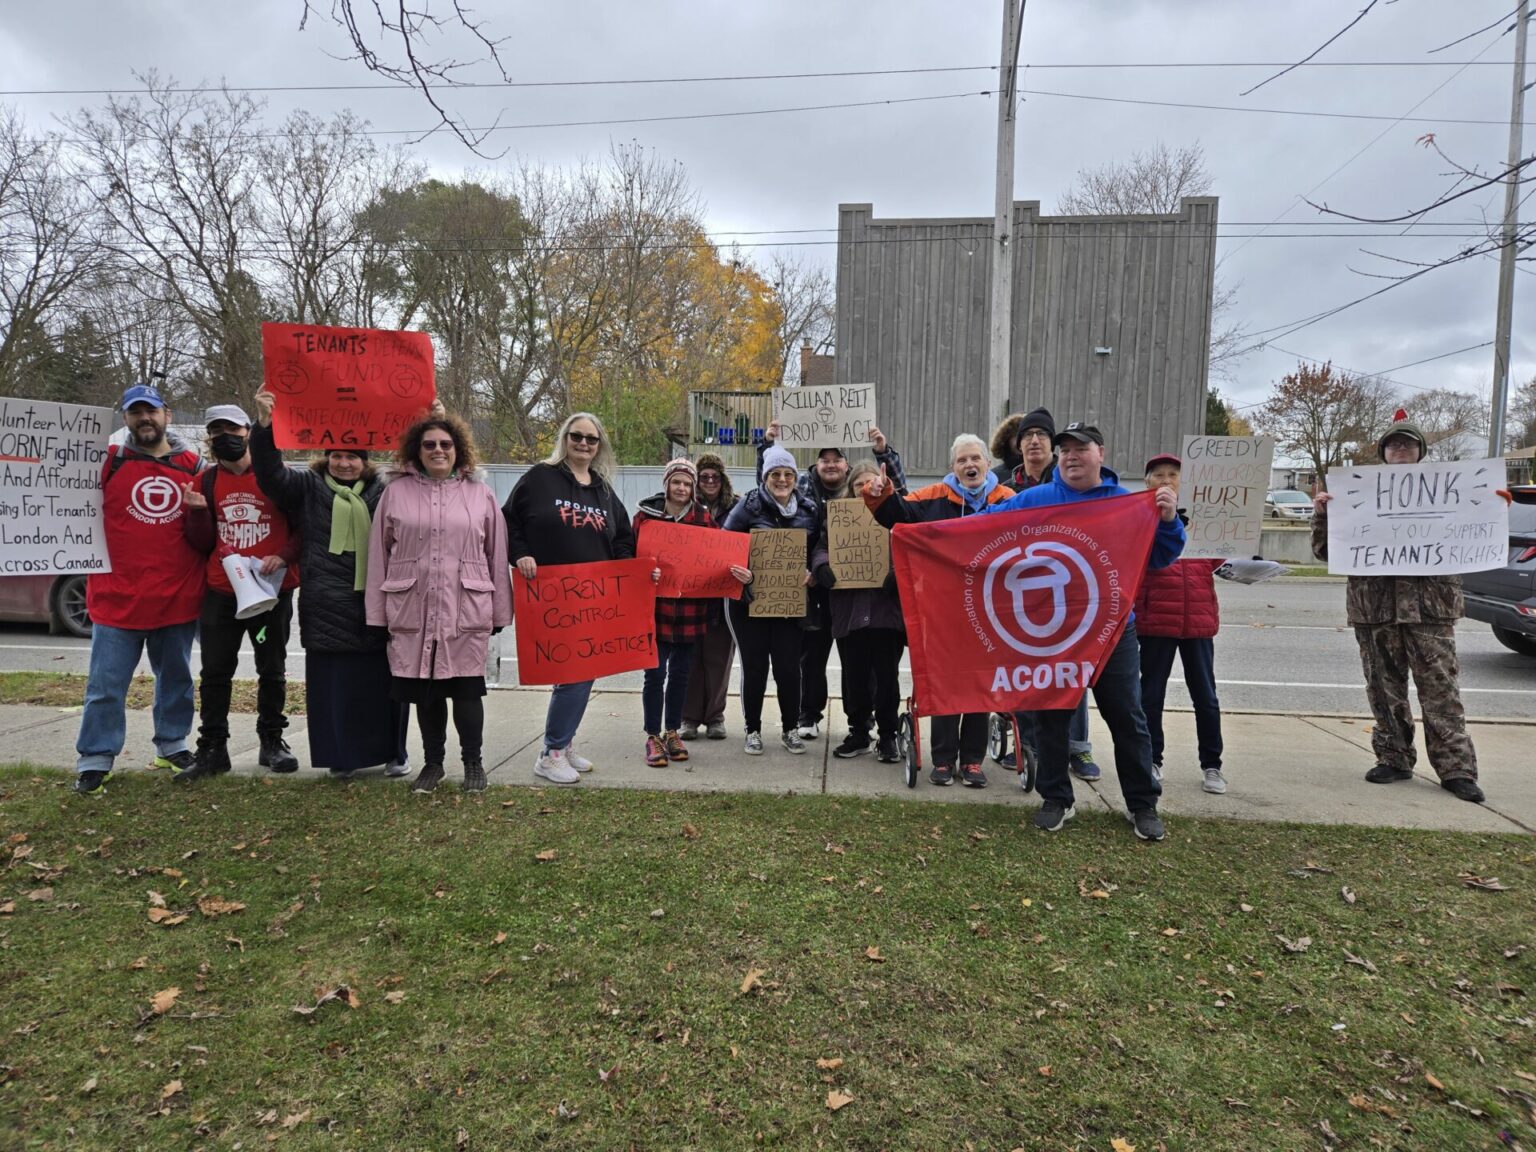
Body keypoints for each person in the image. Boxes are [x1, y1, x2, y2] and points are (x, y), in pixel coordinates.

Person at [971, 421, 1184, 841]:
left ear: (1100, 454)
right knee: (1051, 719)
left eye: (1080, 449)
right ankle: (1056, 799)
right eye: (1064, 449)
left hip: (1112, 633)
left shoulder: (1127, 504)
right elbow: (980, 529)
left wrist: (1169, 520)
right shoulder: (1034, 500)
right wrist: (925, 534)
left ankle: (1142, 805)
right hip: (1054, 635)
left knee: (1127, 717)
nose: (1070, 456)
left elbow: (1160, 557)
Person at [1311, 410, 1487, 803]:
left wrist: (1492, 511)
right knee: (1384, 689)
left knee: (1440, 691)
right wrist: (1324, 516)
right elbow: (1324, 552)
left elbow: (1474, 537)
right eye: (1394, 443)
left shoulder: (1449, 491)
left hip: (1430, 610)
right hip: (1374, 610)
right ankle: (1394, 757)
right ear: (1384, 452)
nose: (1401, 448)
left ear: (1420, 451)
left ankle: (1457, 769)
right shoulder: (1356, 494)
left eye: (1408, 443)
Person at [248, 387, 410, 779]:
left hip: (374, 602)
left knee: (384, 684)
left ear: (364, 461)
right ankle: (341, 757)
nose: (343, 463)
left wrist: (430, 417)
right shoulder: (307, 488)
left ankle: (394, 753)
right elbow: (270, 475)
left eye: (352, 456)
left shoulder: (385, 490)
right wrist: (265, 427)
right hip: (325, 605)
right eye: (336, 455)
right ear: (327, 457)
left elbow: (423, 472)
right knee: (334, 689)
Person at [72, 383, 207, 796]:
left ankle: (172, 745)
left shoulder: (194, 465)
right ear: (126, 418)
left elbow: (207, 534)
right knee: (105, 687)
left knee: (177, 681)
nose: (145, 418)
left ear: (167, 415)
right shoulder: (104, 462)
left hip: (175, 597)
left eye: (152, 411)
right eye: (136, 412)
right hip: (116, 598)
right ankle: (95, 758)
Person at [366, 415, 511, 794]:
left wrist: (499, 611)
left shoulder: (480, 494)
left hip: (466, 608)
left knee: (466, 691)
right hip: (412, 607)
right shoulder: (395, 493)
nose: (438, 451)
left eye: (445, 444)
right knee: (424, 691)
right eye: (429, 445)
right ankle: (433, 764)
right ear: (418, 450)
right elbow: (378, 555)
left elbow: (496, 554)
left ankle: (473, 764)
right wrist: (377, 613)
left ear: (457, 450)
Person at [863, 433, 1016, 787]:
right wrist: (879, 493)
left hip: (990, 612)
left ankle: (973, 761)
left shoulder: (1007, 499)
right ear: (953, 467)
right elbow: (896, 515)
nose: (969, 465)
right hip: (943, 610)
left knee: (980, 683)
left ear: (987, 463)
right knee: (946, 683)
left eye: (975, 458)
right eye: (962, 460)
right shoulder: (932, 497)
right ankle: (944, 759)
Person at [503, 412, 636, 786]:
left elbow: (623, 537)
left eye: (591, 439)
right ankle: (551, 753)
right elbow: (508, 521)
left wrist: (626, 572)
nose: (583, 444)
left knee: (581, 673)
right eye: (576, 436)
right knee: (574, 675)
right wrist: (520, 554)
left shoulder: (603, 490)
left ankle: (563, 744)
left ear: (599, 446)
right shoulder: (538, 479)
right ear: (564, 438)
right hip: (550, 597)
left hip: (593, 599)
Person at [174, 404, 302, 782]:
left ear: (249, 431)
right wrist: (197, 512)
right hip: (222, 593)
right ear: (210, 439)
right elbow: (200, 543)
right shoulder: (205, 483)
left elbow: (304, 529)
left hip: (269, 593)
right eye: (216, 431)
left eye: (232, 429)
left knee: (271, 667)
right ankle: (213, 748)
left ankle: (272, 742)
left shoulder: (277, 478)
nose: (224, 437)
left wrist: (283, 556)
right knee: (215, 671)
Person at [757, 423, 908, 741]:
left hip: (869, 602)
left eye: (836, 459)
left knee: (870, 669)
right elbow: (771, 485)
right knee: (814, 657)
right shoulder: (804, 489)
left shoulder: (889, 509)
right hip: (820, 590)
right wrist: (767, 446)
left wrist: (882, 451)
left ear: (845, 465)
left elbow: (901, 496)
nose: (830, 464)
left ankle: (871, 727)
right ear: (818, 465)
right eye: (824, 459)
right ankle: (811, 715)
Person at [992, 407, 1103, 783]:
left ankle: (1077, 747)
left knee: (1073, 675)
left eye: (1041, 435)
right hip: (1021, 597)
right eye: (1027, 436)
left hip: (1070, 597)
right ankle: (1028, 745)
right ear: (1017, 445)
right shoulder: (1002, 483)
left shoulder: (1074, 482)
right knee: (1024, 676)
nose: (1034, 441)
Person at [633, 458, 750, 767]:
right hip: (655, 611)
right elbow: (629, 555)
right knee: (655, 676)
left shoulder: (704, 519)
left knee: (681, 676)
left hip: (690, 611)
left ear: (693, 487)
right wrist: (645, 571)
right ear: (666, 484)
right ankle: (652, 734)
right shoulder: (646, 517)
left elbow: (717, 559)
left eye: (687, 483)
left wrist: (738, 573)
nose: (682, 488)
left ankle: (672, 731)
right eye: (677, 482)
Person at [1133, 453, 1227, 795]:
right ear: (1147, 483)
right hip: (1156, 619)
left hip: (1198, 622)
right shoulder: (1139, 519)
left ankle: (1212, 765)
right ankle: (1151, 759)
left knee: (1206, 697)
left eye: (1173, 474)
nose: (1166, 480)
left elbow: (1221, 561)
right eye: (1158, 474)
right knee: (1150, 695)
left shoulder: (1206, 521)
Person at [724, 444, 821, 755]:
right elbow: (725, 546)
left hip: (789, 602)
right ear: (765, 477)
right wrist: (743, 572)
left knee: (789, 670)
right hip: (749, 602)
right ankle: (753, 730)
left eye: (788, 474)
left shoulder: (809, 509)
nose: (782, 479)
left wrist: (813, 573)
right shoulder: (748, 506)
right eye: (775, 474)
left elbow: (818, 549)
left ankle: (790, 729)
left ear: (795, 477)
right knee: (754, 670)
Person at [813, 459, 906, 764]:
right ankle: (859, 731)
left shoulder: (897, 516)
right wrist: (822, 566)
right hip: (850, 610)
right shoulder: (838, 518)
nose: (865, 489)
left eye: (870, 483)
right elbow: (822, 547)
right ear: (851, 490)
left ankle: (889, 734)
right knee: (854, 677)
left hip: (885, 612)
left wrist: (900, 573)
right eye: (858, 485)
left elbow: (912, 548)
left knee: (887, 679)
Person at [679, 453, 739, 741]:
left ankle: (715, 716)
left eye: (715, 476)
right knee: (690, 659)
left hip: (724, 598)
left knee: (719, 660)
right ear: (696, 480)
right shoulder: (683, 508)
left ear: (723, 478)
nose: (710, 481)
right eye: (704, 477)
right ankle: (688, 718)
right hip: (690, 596)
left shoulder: (736, 507)